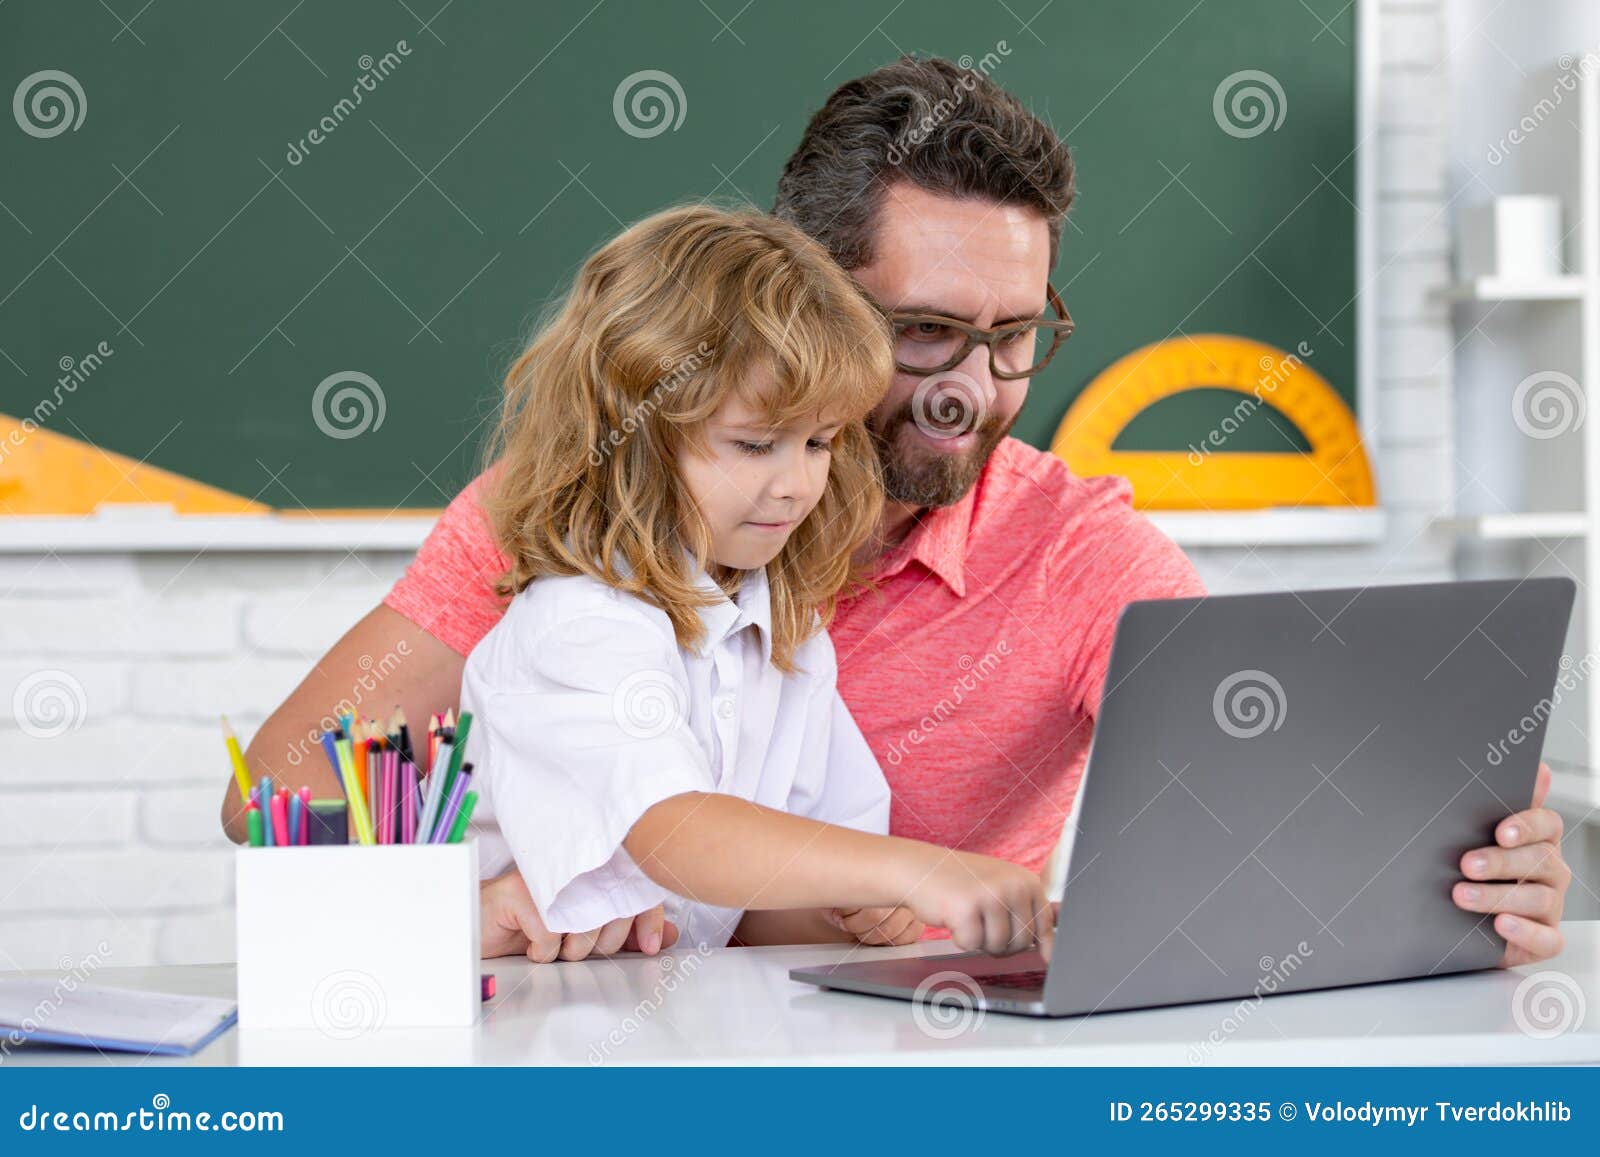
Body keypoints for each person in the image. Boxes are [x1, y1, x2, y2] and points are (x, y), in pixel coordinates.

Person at [222, 56, 1572, 969]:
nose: (972, 395)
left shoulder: (1064, 546)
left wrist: (1465, 857)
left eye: (1015, 335)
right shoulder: (577, 520)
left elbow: (1290, 758)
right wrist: (488, 910)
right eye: (923, 333)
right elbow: (279, 798)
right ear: (800, 298)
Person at [456, 203, 1051, 957]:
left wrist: (856, 906)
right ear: (635, 438)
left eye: (819, 443)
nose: (796, 484)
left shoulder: (782, 634)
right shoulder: (581, 621)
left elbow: (759, 899)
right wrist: (917, 868)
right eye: (755, 444)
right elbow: (677, 833)